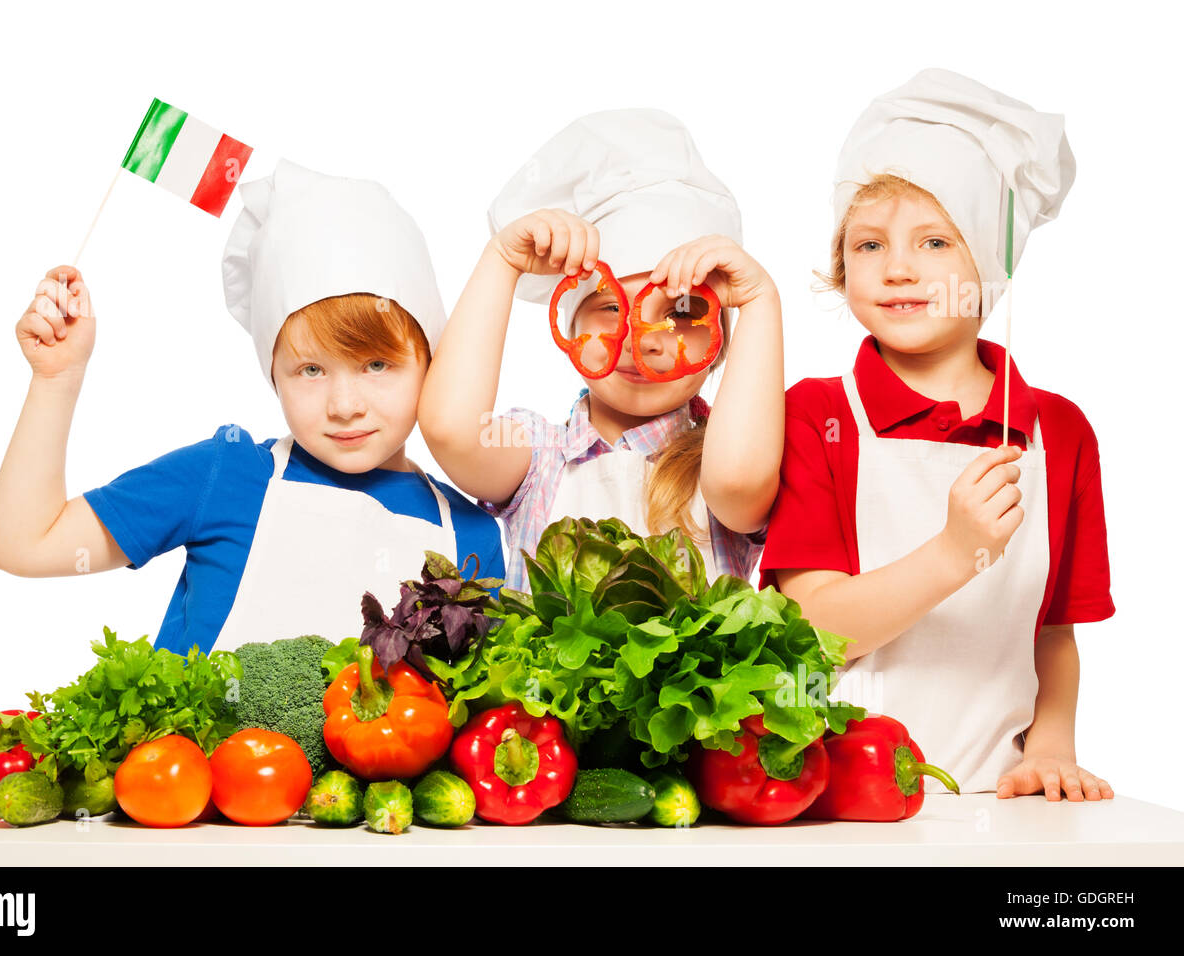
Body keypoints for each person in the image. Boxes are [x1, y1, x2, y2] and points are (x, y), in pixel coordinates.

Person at [756, 69, 1114, 800]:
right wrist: (956, 551)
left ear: (988, 259)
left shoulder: (1061, 433)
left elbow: (1054, 631)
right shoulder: (814, 416)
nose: (897, 270)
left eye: (934, 241)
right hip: (839, 803)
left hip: (1001, 804)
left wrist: (1049, 750)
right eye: (868, 246)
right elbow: (814, 627)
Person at [0, 159, 504, 654]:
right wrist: (57, 379)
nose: (345, 406)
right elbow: (25, 545)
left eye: (376, 366)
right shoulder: (224, 474)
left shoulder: (472, 536)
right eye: (311, 370)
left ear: (430, 361)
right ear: (272, 373)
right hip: (189, 752)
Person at [419, 109, 783, 592]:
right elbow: (450, 430)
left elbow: (738, 482)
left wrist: (760, 301)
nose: (639, 338)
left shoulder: (724, 461)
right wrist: (502, 261)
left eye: (678, 313)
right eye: (609, 308)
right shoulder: (540, 457)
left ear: (719, 340)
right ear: (571, 325)